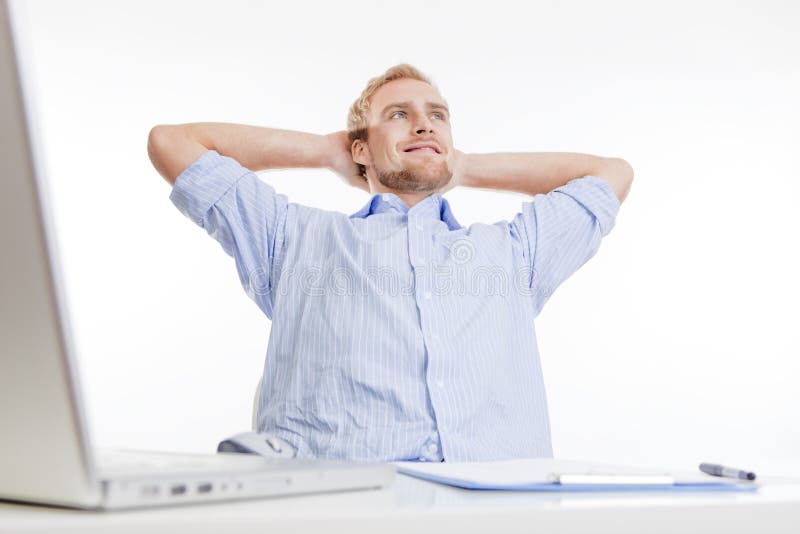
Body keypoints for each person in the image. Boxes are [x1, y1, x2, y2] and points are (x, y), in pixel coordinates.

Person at [147, 64, 633, 462]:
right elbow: (172, 143)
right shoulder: (294, 237)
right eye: (399, 115)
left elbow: (611, 174)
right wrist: (326, 152)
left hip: (500, 509)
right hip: (348, 509)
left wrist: (460, 166)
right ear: (359, 147)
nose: (423, 124)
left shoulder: (513, 252)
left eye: (436, 117)